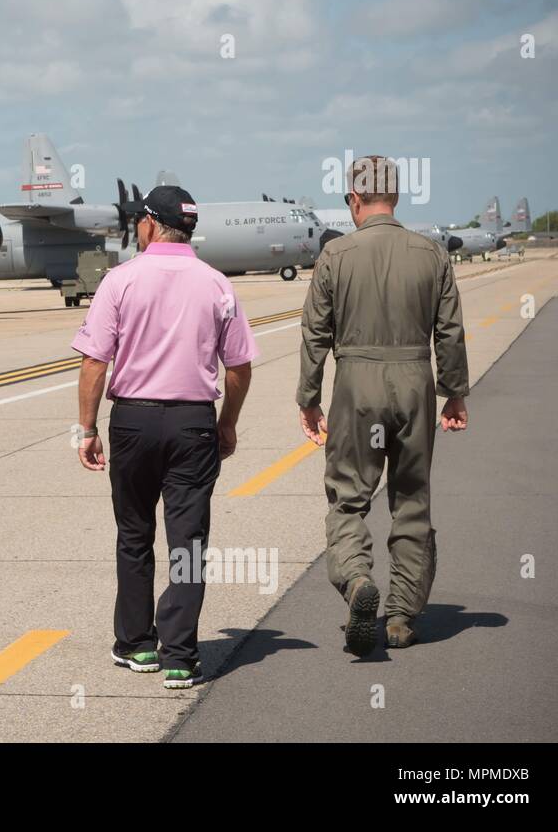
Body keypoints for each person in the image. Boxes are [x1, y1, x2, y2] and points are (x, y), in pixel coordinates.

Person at [73, 185, 257, 688]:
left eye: (140, 220)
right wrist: (227, 424)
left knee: (134, 535)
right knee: (188, 540)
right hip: (192, 422)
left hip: (132, 421)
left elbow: (94, 363)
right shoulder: (217, 284)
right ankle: (179, 654)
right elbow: (238, 366)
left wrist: (87, 429)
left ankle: (136, 645)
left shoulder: (120, 280)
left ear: (151, 224)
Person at [297, 155, 469, 657]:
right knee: (411, 500)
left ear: (354, 199)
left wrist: (308, 399)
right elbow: (450, 332)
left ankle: (355, 583)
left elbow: (314, 336)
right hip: (415, 382)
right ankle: (400, 617)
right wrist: (454, 391)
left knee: (349, 496)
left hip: (357, 385)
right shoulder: (432, 254)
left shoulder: (336, 255)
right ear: (395, 198)